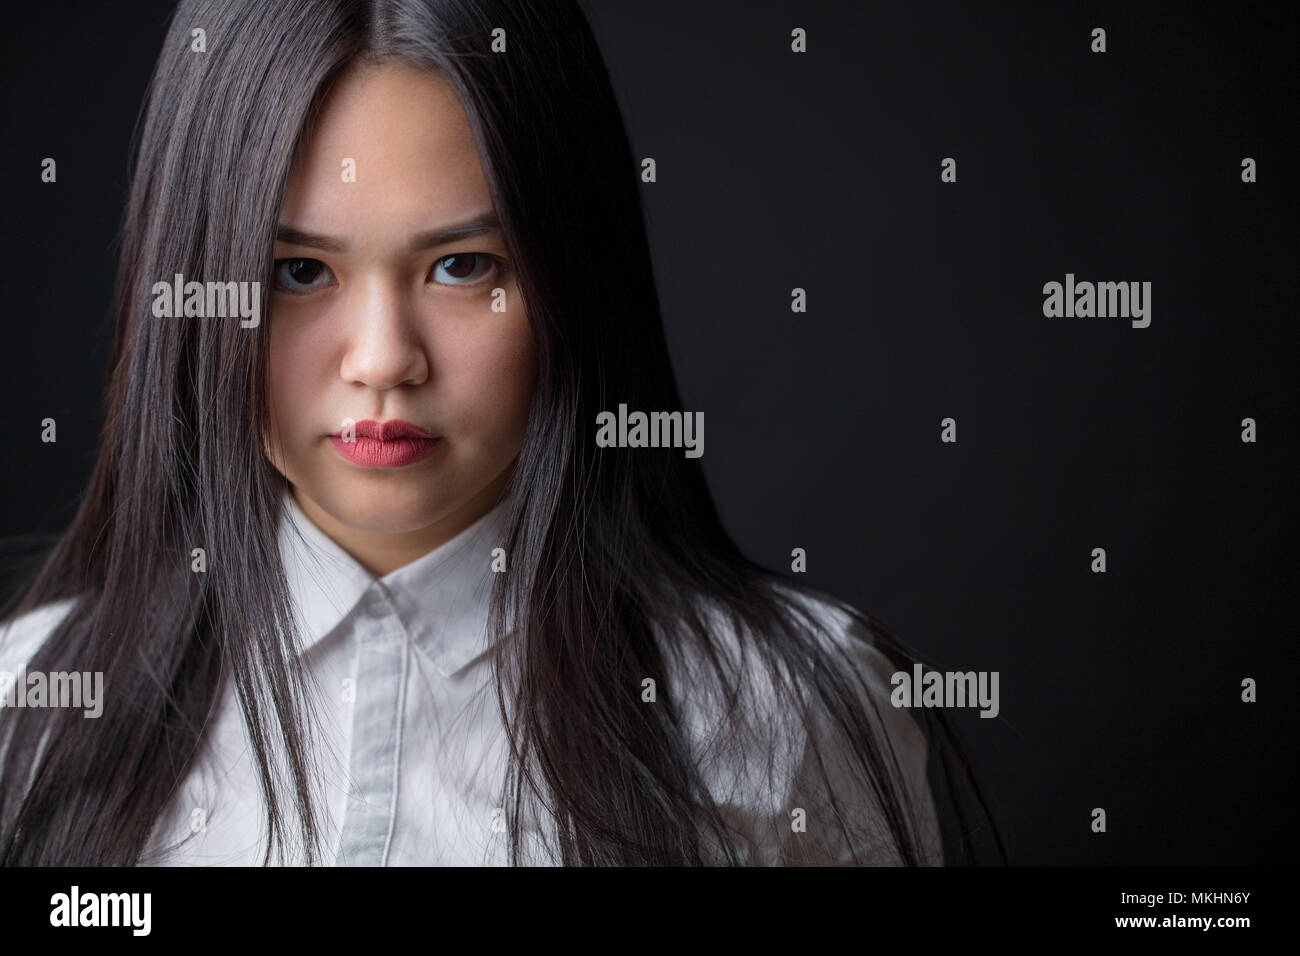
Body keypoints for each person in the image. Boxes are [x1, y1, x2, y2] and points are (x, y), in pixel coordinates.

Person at [0, 0, 997, 866]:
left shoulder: (786, 712)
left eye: (463, 265)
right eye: (298, 272)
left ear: (570, 276)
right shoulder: (29, 712)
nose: (384, 359)